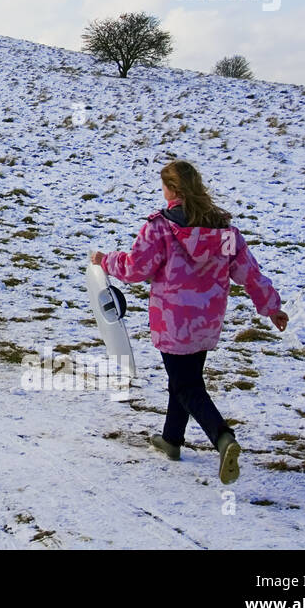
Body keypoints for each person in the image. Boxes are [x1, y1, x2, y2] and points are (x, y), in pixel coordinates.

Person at [90, 160, 288, 484]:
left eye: (164, 187)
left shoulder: (161, 228)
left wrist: (105, 261)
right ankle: (171, 439)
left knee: (187, 385)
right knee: (184, 380)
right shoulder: (223, 232)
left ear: (174, 191)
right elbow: (248, 272)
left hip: (173, 322)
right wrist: (271, 307)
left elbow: (136, 268)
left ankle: (223, 438)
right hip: (206, 322)